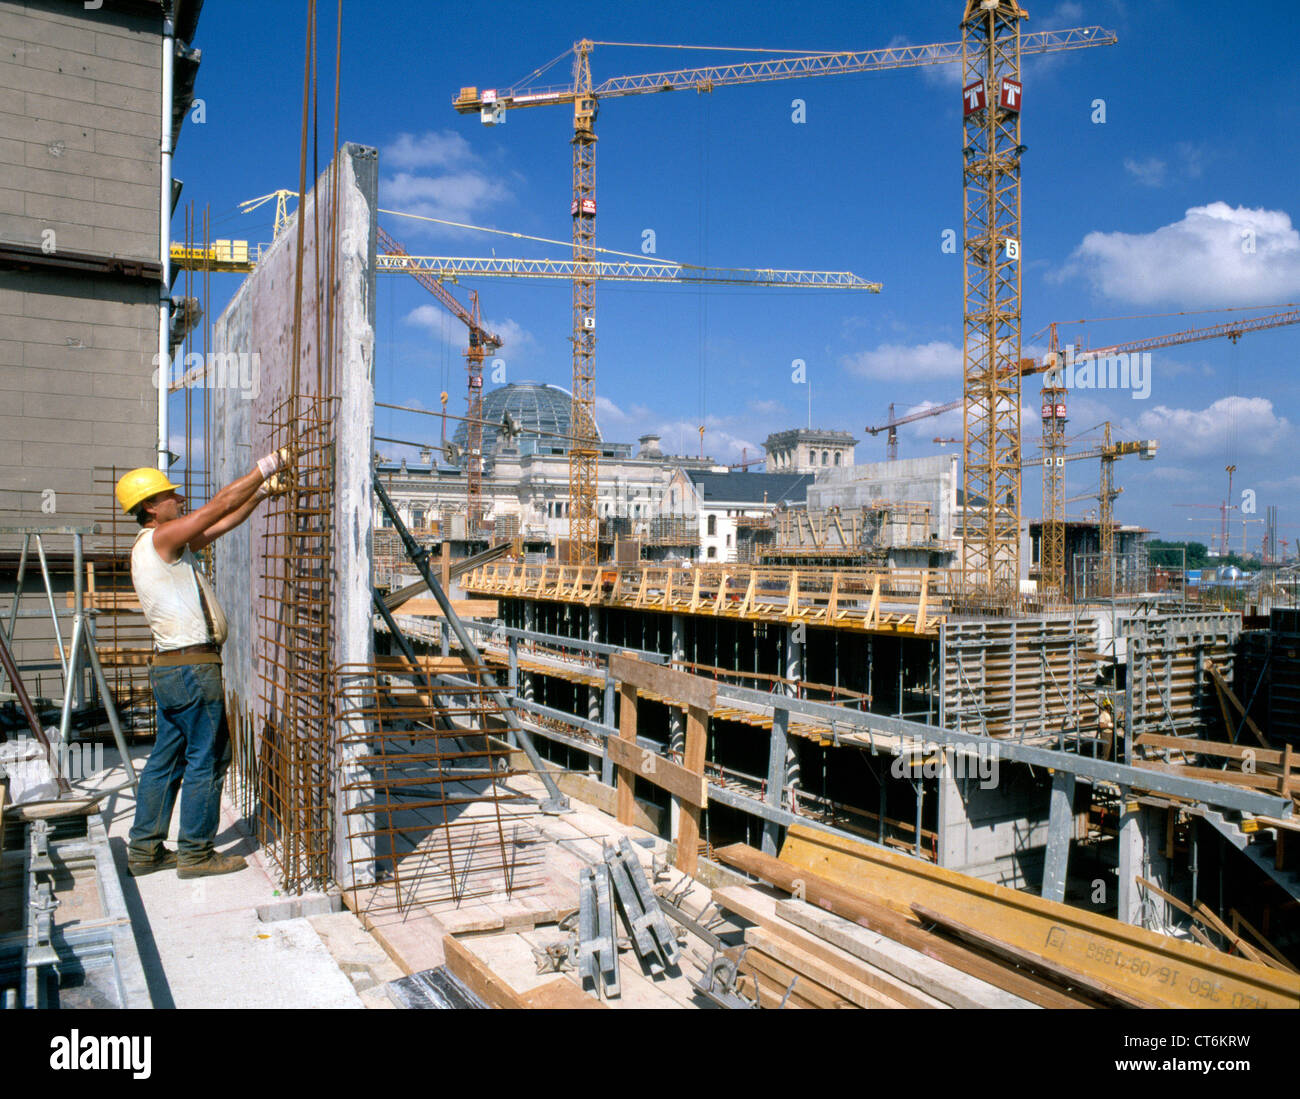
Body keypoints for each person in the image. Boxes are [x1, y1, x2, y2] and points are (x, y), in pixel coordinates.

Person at [115, 448, 291, 878]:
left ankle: (145, 849)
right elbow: (217, 506)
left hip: (171, 671)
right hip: (194, 670)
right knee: (209, 758)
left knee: (166, 760)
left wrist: (262, 493)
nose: (179, 498)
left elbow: (222, 521)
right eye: (170, 495)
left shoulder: (159, 546)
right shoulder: (163, 538)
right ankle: (196, 853)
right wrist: (266, 467)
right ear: (152, 508)